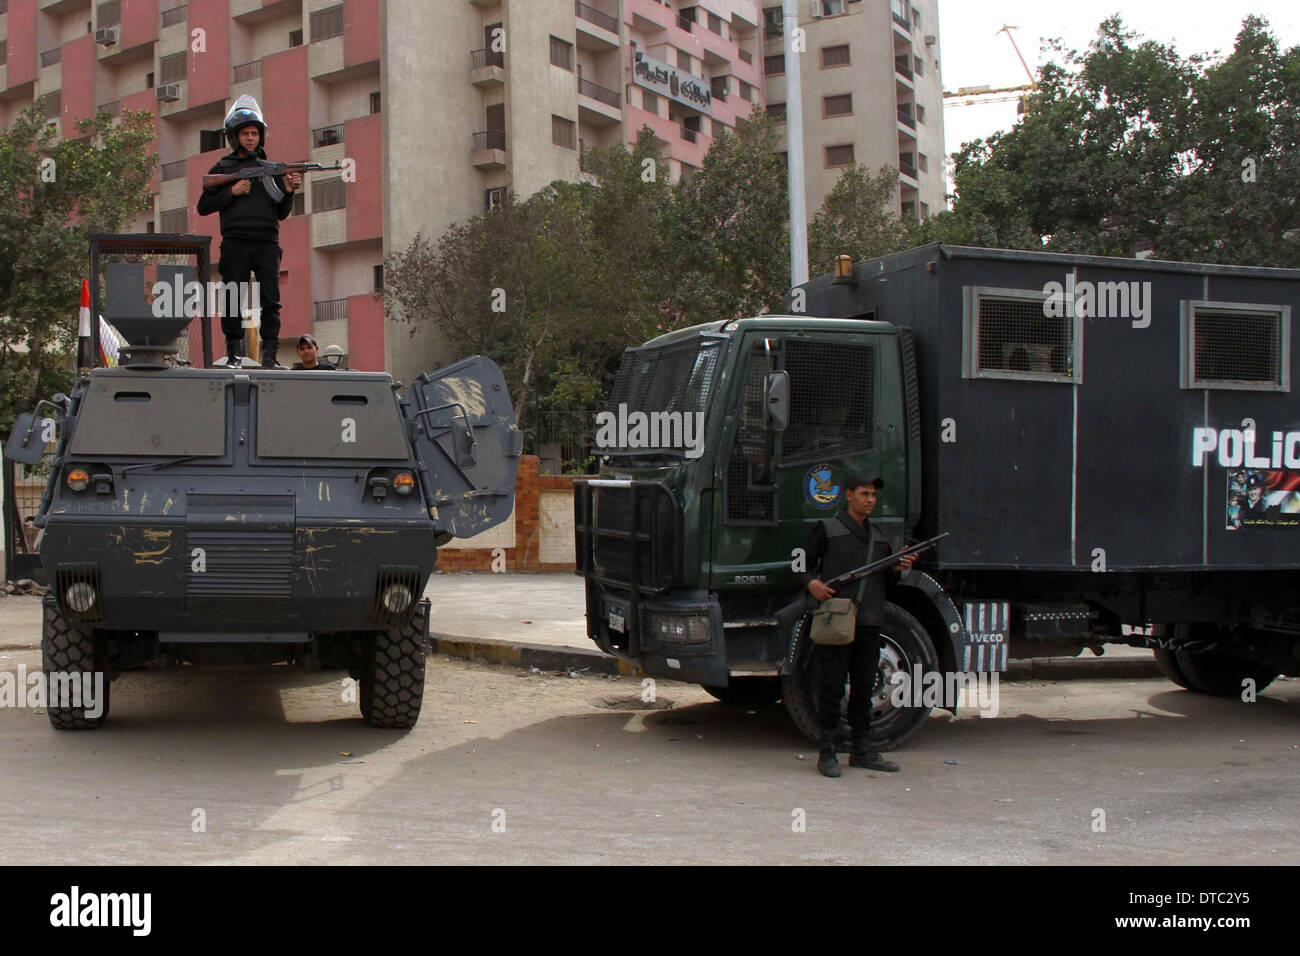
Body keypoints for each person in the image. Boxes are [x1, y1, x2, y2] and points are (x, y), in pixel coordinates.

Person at [798, 474, 916, 778]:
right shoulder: (828, 529)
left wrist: (900, 568)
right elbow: (800, 562)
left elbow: (887, 581)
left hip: (869, 621)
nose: (870, 500)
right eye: (864, 494)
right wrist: (812, 583)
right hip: (837, 620)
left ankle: (862, 750)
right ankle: (828, 751)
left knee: (864, 687)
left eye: (873, 495)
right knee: (831, 687)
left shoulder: (879, 536)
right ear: (848, 495)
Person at [196, 95, 300, 369]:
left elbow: (280, 213)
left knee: (271, 301)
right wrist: (232, 192)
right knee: (232, 298)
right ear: (235, 136)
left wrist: (289, 192)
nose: (251, 138)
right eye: (245, 133)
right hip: (235, 243)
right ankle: (233, 355)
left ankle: (269, 357)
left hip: (267, 242)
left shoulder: (271, 169)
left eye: (255, 133)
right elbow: (203, 206)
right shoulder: (223, 169)